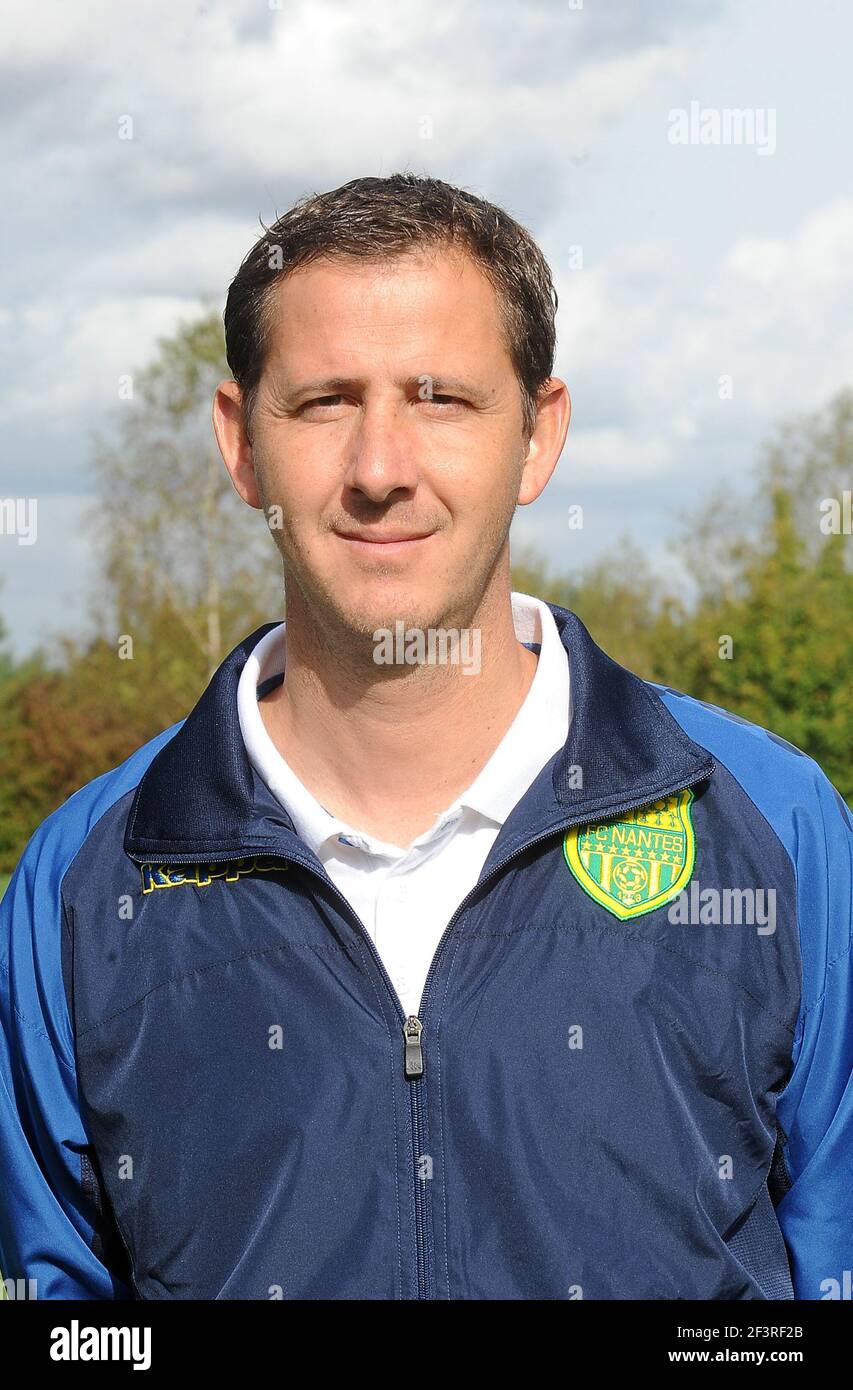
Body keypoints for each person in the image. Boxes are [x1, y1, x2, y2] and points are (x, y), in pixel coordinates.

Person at [0, 174, 850, 1301]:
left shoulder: (773, 825)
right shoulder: (82, 880)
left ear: (538, 438)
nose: (379, 468)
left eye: (440, 397)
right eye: (323, 403)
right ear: (239, 442)